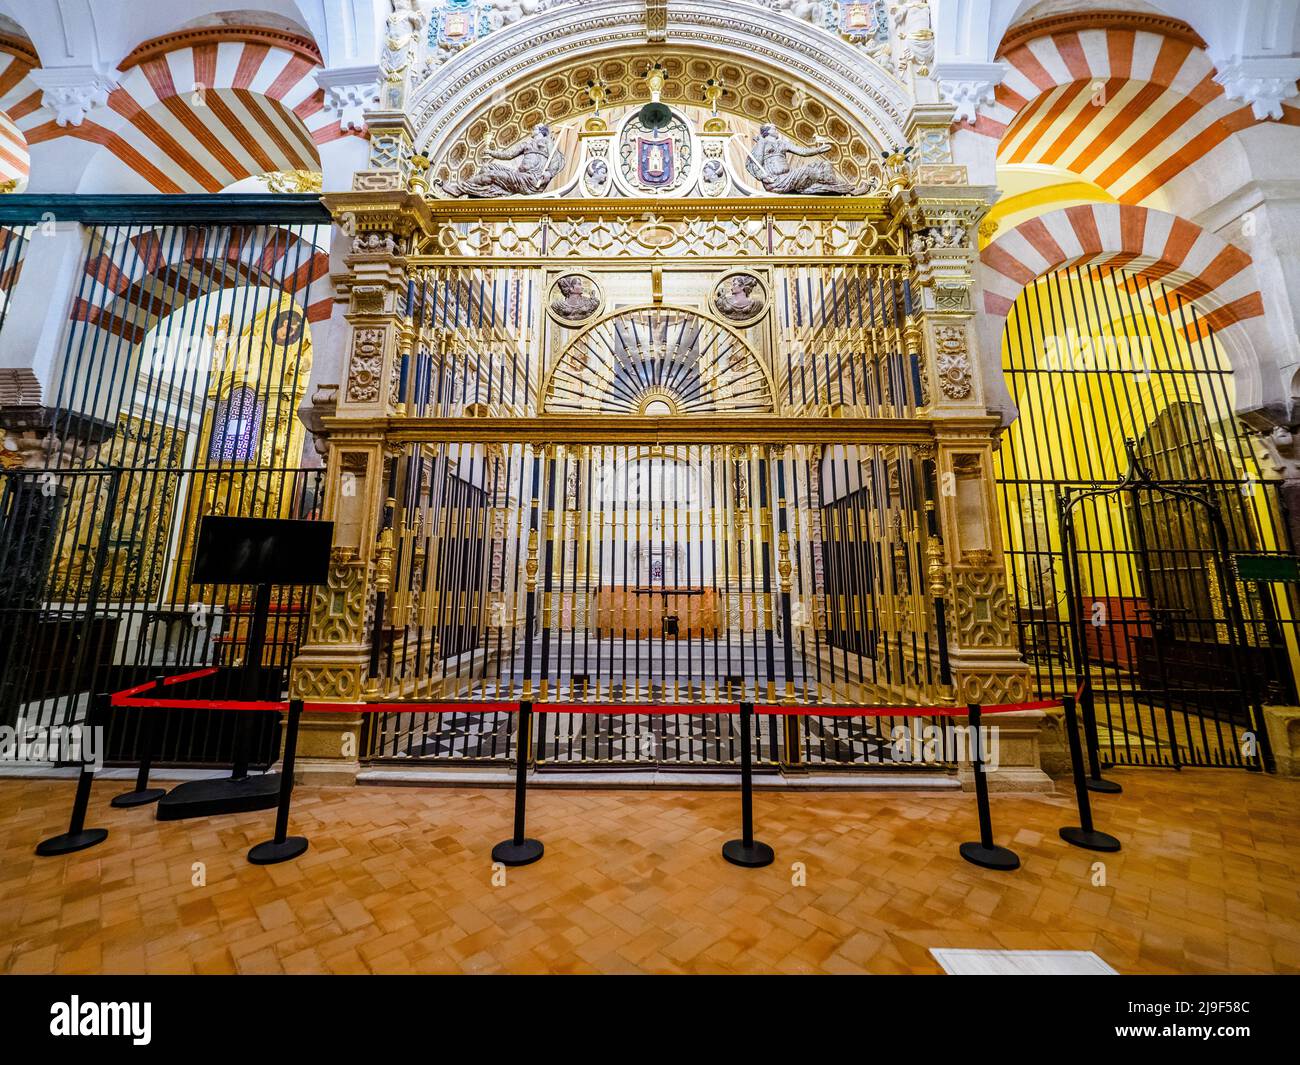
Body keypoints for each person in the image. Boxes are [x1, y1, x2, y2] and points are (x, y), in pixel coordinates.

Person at [438, 124, 565, 198]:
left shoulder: (547, 142)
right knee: (488, 167)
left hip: (531, 180)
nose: (532, 130)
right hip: (519, 176)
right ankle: (478, 193)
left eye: (535, 128)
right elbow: (508, 155)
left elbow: (557, 160)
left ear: (540, 130)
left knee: (492, 175)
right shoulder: (527, 143)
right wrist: (491, 152)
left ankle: (459, 189)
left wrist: (548, 174)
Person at [745, 124, 872, 195]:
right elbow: (752, 163)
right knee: (807, 172)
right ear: (766, 132)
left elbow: (802, 151)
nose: (776, 130)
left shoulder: (782, 143)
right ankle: (849, 190)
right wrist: (763, 177)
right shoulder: (761, 144)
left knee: (825, 166)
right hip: (776, 182)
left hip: (789, 177)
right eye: (774, 129)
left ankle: (847, 190)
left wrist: (818, 150)